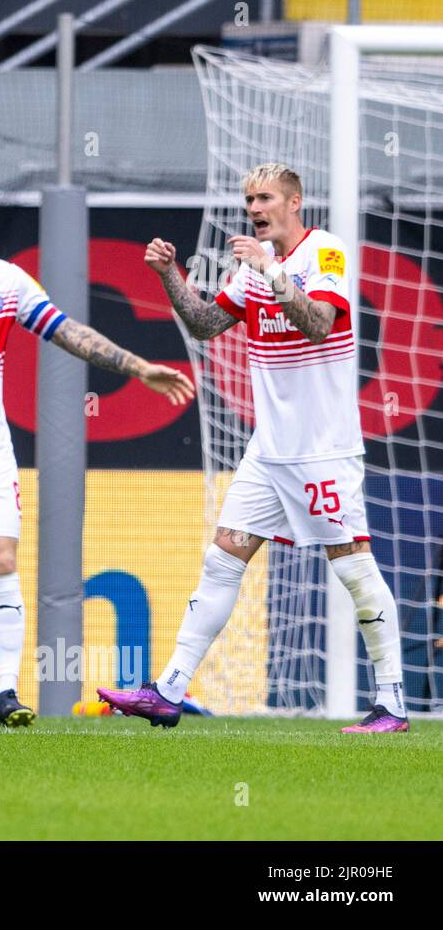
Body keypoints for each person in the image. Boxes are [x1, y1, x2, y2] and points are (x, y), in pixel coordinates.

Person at [98, 162, 409, 733]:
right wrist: (170, 275)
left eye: (264, 198)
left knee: (354, 570)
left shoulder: (325, 254)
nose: (255, 208)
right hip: (269, 452)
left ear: (295, 202)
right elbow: (204, 323)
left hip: (321, 450)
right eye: (249, 200)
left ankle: (391, 703)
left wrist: (272, 273)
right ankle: (166, 692)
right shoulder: (252, 267)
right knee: (222, 559)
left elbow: (318, 323)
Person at [0, 172, 193, 726]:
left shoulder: (5, 282)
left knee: (1, 560)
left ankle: (6, 694)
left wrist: (136, 367)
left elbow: (66, 331)